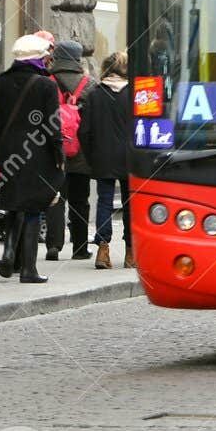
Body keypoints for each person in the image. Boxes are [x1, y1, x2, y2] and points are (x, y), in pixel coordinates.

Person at [0, 34, 63, 285]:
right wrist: (59, 155)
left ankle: (9, 252)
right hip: (37, 152)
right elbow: (53, 124)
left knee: (14, 202)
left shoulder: (1, 82)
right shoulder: (46, 85)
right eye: (46, 56)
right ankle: (29, 269)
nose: (48, 60)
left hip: (8, 149)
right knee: (33, 206)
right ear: (39, 58)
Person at [78, 51, 134, 270]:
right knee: (130, 205)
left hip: (102, 157)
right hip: (130, 158)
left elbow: (84, 131)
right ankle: (131, 253)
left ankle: (102, 249)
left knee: (104, 202)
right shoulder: (133, 94)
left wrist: (92, 156)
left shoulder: (95, 94)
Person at [46, 39, 93, 261]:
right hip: (82, 154)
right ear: (77, 59)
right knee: (80, 201)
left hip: (54, 152)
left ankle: (53, 245)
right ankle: (80, 248)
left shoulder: (47, 82)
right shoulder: (89, 84)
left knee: (56, 198)